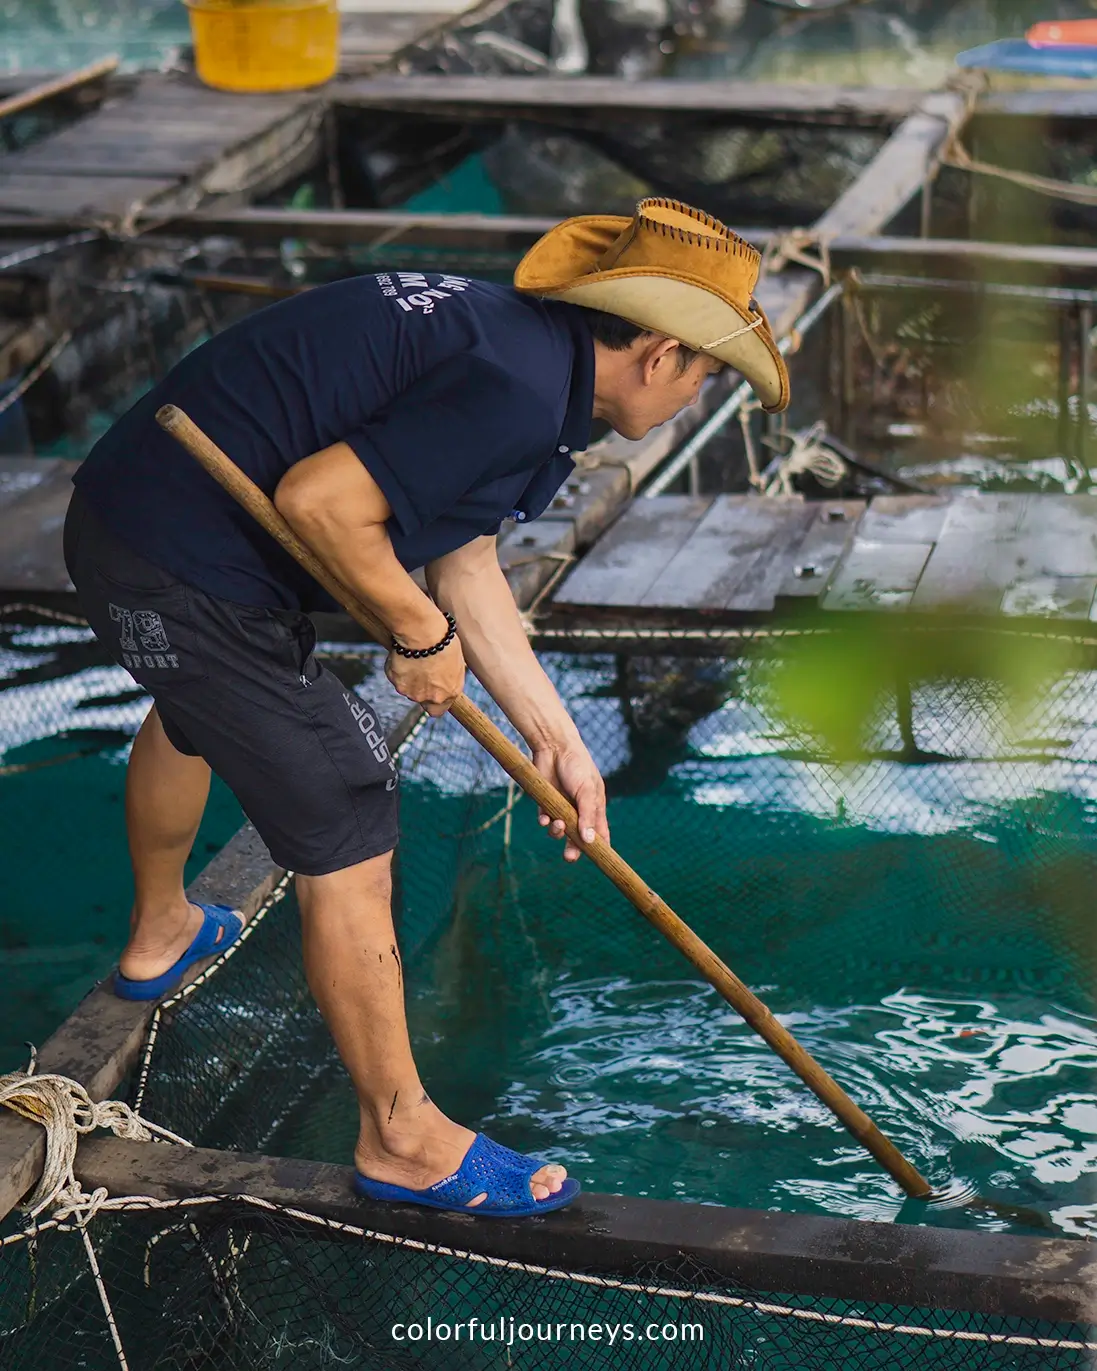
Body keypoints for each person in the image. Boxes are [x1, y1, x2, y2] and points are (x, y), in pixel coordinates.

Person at [63, 197, 789, 1218]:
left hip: (131, 525)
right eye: (706, 374)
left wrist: (556, 741)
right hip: (178, 564)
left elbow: (464, 557)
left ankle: (160, 931)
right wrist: (416, 632)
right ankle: (401, 1139)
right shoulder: (517, 390)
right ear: (661, 354)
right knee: (349, 804)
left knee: (199, 704)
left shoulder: (525, 355)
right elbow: (321, 503)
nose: (696, 393)